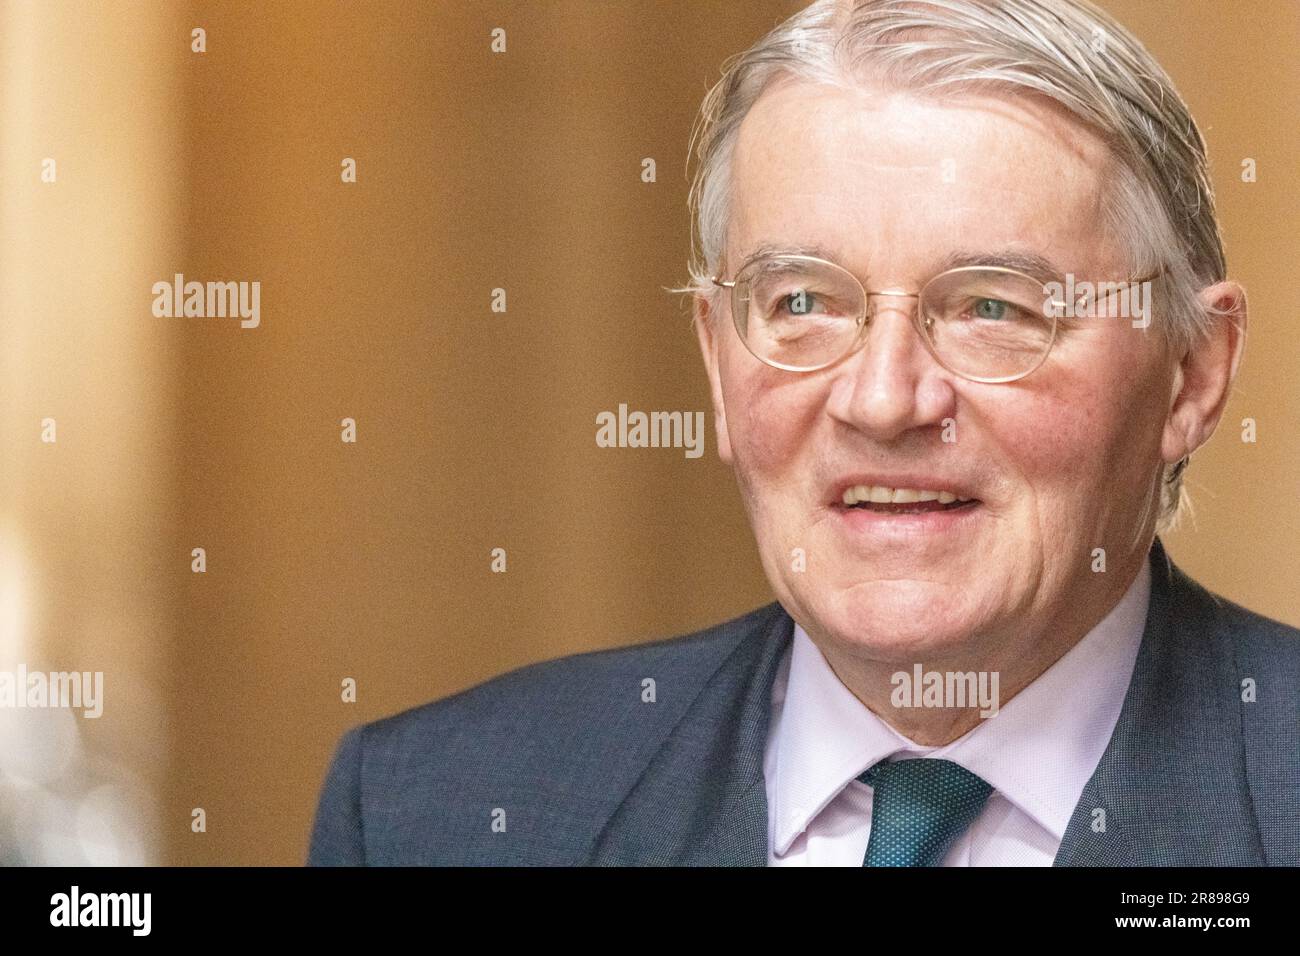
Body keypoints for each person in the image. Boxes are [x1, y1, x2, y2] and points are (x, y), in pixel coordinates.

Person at [307, 0, 1298, 866]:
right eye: (803, 301)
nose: (881, 399)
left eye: (993, 308)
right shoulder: (431, 812)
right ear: (715, 355)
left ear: (1192, 371)